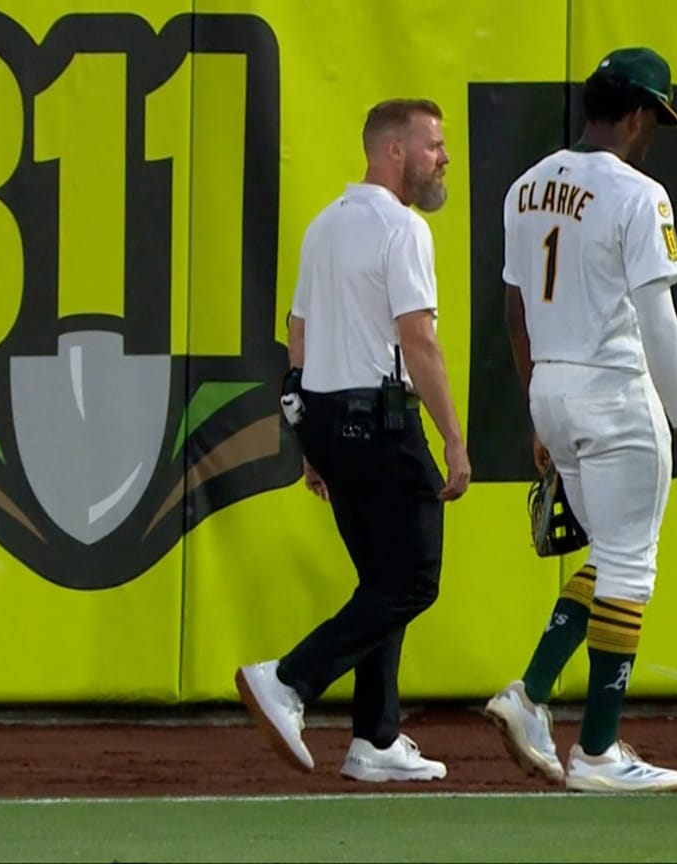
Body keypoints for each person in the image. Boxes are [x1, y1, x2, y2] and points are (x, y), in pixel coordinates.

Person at [483, 47, 677, 793]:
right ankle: (598, 753)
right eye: (656, 118)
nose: (654, 133)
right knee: (630, 565)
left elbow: (516, 313)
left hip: (552, 387)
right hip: (616, 391)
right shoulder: (637, 194)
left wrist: (536, 410)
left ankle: (529, 695)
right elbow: (659, 316)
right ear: (639, 112)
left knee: (608, 554)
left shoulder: (524, 188)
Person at [235, 98, 470, 783]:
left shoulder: (324, 226)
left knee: (382, 580)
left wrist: (311, 441)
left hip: (327, 419)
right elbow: (419, 338)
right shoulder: (402, 229)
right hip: (382, 421)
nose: (443, 157)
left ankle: (376, 738)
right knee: (413, 580)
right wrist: (453, 440)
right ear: (392, 152)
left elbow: (297, 332)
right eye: (432, 144)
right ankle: (288, 680)